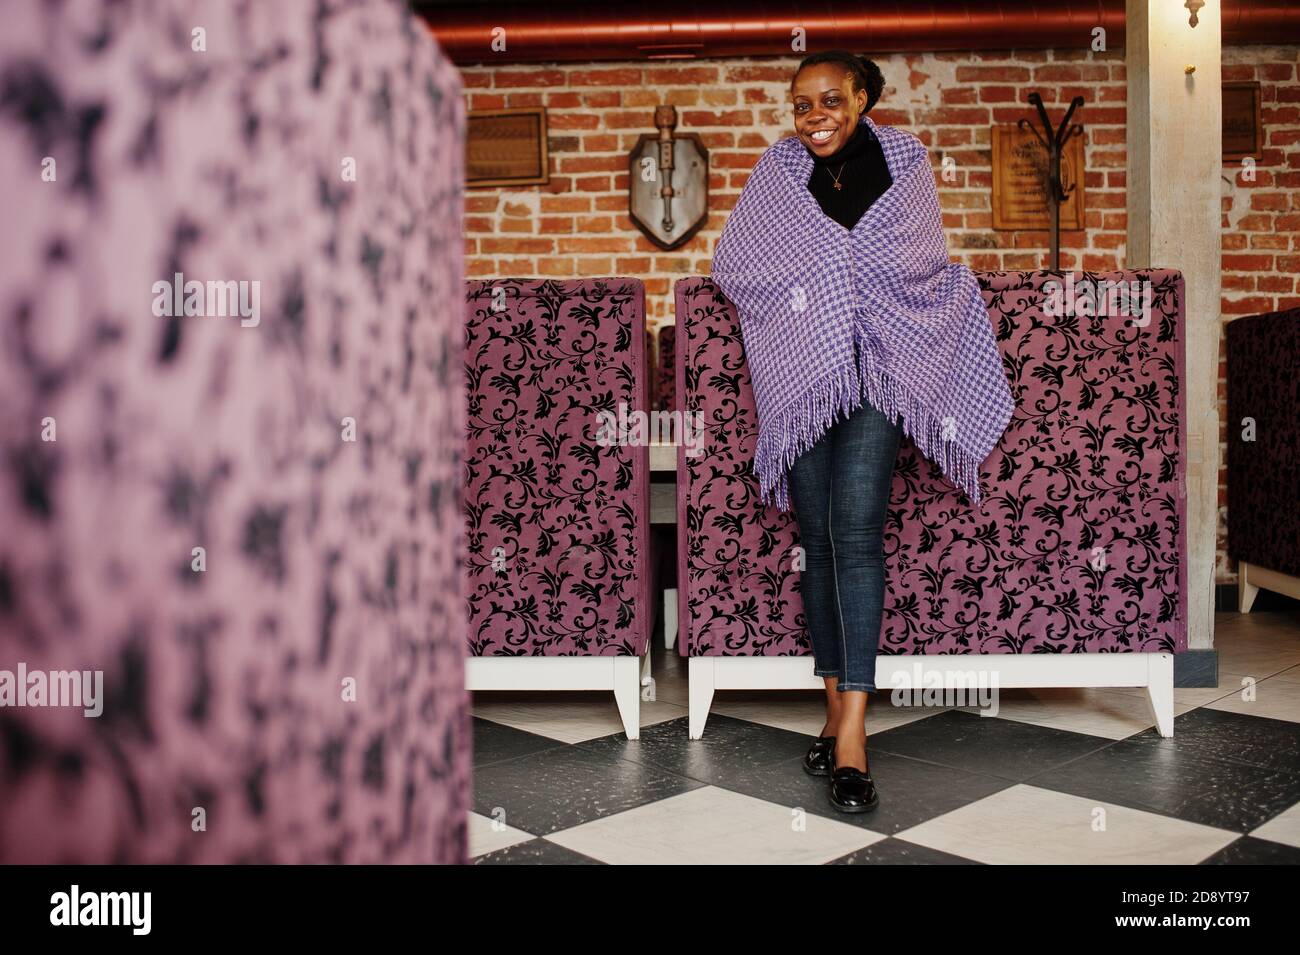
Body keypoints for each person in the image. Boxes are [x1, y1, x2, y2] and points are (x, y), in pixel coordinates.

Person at [787, 51, 899, 814]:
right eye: (800, 104)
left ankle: (854, 728)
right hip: (799, 374)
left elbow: (920, 257)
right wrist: (822, 289)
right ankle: (832, 704)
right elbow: (741, 261)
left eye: (830, 99)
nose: (814, 114)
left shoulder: (904, 162)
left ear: (862, 98)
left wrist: (850, 279)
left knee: (855, 533)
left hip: (882, 368)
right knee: (816, 536)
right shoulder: (777, 172)